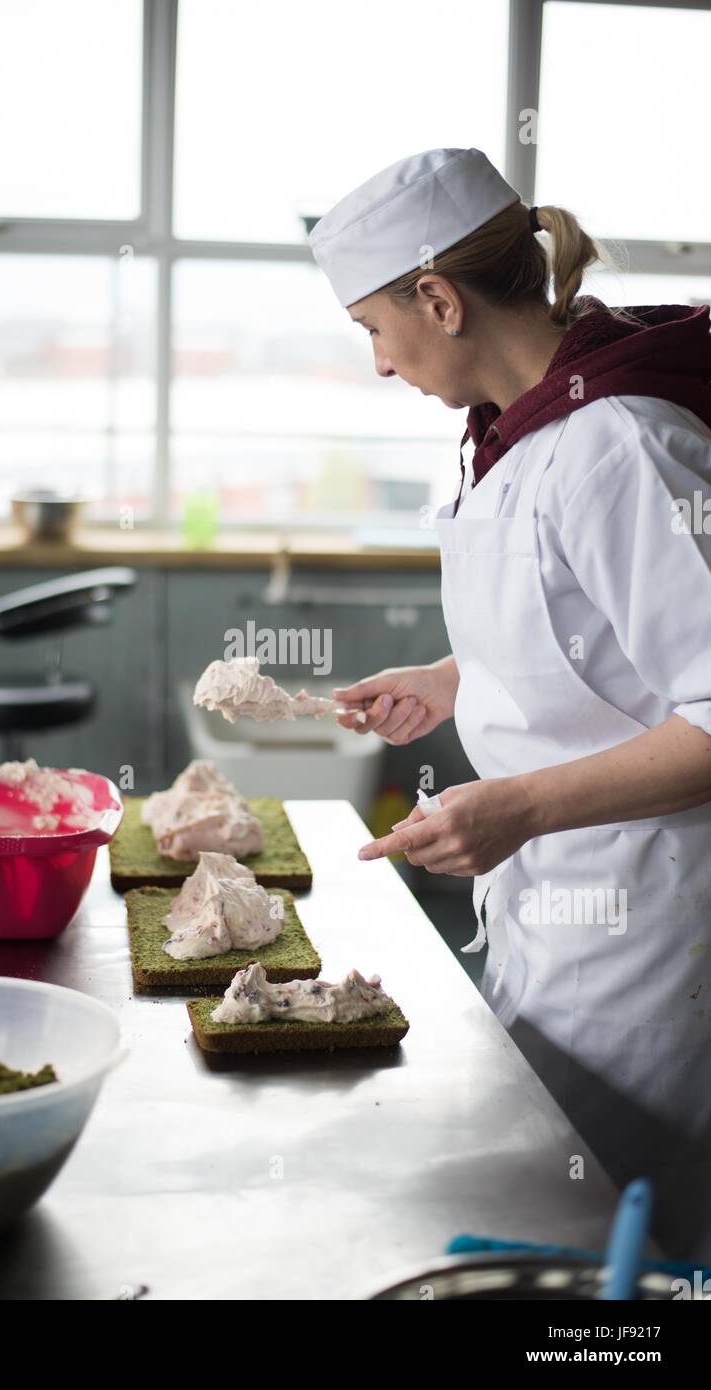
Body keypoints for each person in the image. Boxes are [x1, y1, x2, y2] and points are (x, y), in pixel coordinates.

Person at [308, 147, 711, 1261]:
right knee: (558, 1233)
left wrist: (518, 806)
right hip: (554, 914)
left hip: (651, 939)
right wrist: (454, 678)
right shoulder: (518, 428)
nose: (383, 363)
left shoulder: (622, 443)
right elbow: (590, 628)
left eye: (376, 329)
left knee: (628, 1254)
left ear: (440, 298)